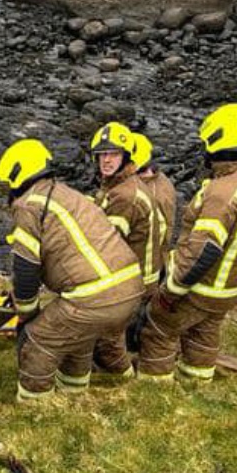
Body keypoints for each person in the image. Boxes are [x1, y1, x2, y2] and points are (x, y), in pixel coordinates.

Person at [140, 103, 237, 382]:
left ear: (221, 142)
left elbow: (203, 251)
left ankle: (152, 391)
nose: (205, 151)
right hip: (233, 287)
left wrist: (171, 291)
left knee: (158, 330)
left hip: (203, 288)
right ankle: (196, 382)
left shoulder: (222, 193)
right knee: (203, 332)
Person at [0, 139, 143, 402]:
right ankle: (74, 396)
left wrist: (26, 314)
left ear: (16, 175)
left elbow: (26, 266)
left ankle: (35, 407)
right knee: (77, 339)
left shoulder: (28, 206)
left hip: (96, 296)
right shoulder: (69, 194)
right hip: (131, 289)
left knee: (39, 340)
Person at [89, 123, 178, 347]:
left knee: (107, 343)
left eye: (113, 154)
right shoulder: (135, 185)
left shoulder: (125, 197)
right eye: (102, 154)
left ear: (126, 157)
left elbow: (104, 248)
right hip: (147, 278)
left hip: (131, 286)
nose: (106, 160)